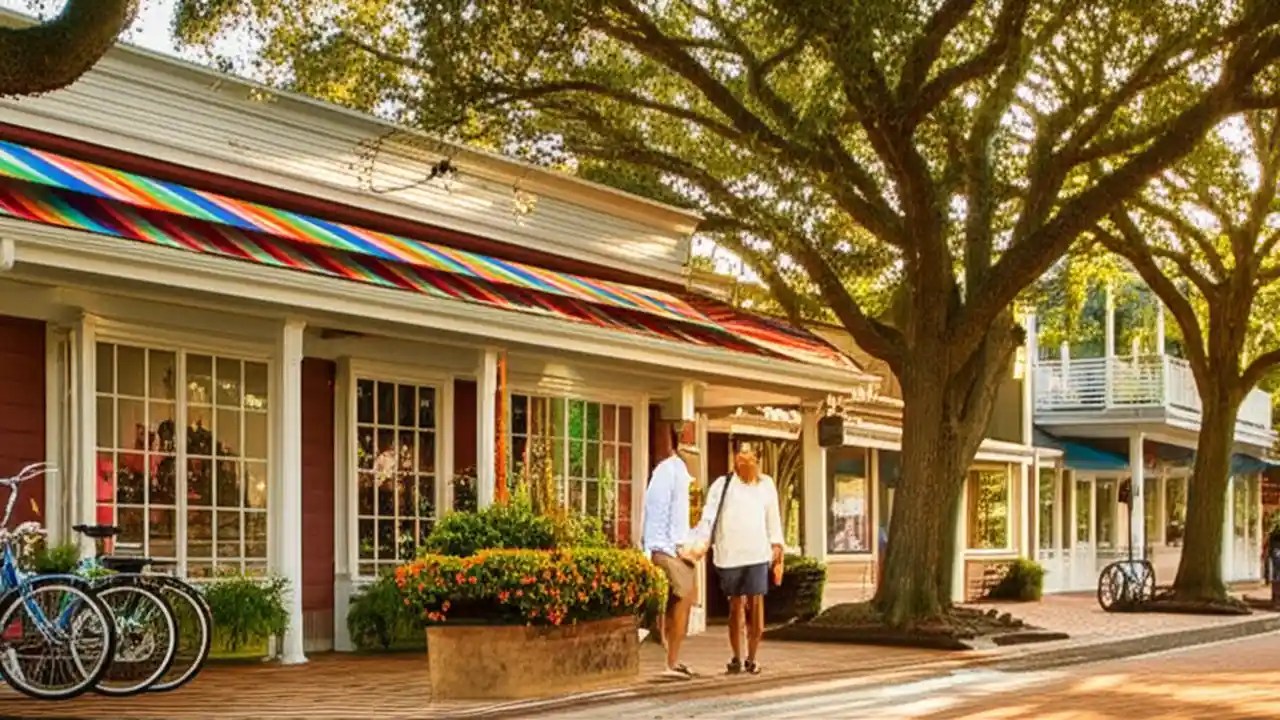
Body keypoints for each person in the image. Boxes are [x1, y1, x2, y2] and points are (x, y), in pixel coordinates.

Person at [692, 444, 784, 675]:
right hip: (730, 555)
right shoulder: (722, 485)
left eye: (749, 458)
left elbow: (773, 517)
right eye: (740, 458)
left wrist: (777, 546)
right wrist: (702, 542)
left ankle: (752, 658)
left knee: (756, 606)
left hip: (758, 554)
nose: (744, 462)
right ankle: (736, 656)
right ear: (734, 460)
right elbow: (709, 516)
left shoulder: (767, 486)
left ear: (757, 461)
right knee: (735, 608)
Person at [641, 424, 698, 679]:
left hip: (670, 547)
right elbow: (663, 514)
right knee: (683, 597)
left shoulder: (676, 472)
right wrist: (675, 548)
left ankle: (671, 658)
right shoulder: (670, 471)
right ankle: (669, 661)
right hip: (667, 548)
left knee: (681, 600)